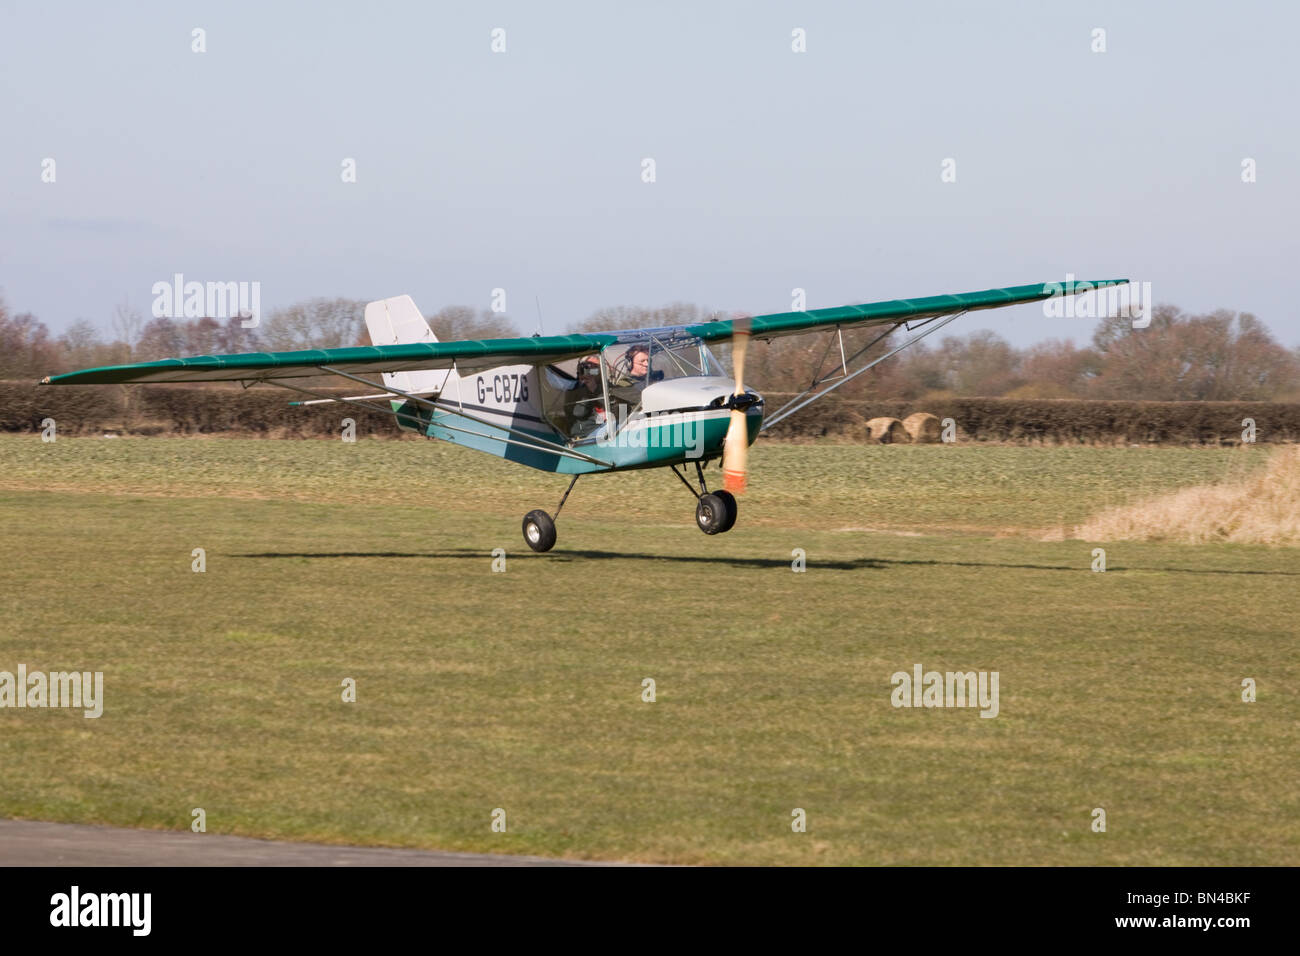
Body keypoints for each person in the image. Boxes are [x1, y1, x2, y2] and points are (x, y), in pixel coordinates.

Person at [565, 355, 605, 438]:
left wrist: (595, 389)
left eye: (596, 367)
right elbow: (579, 412)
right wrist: (589, 388)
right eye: (589, 367)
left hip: (605, 429)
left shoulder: (604, 386)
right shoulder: (573, 390)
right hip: (585, 434)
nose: (593, 370)